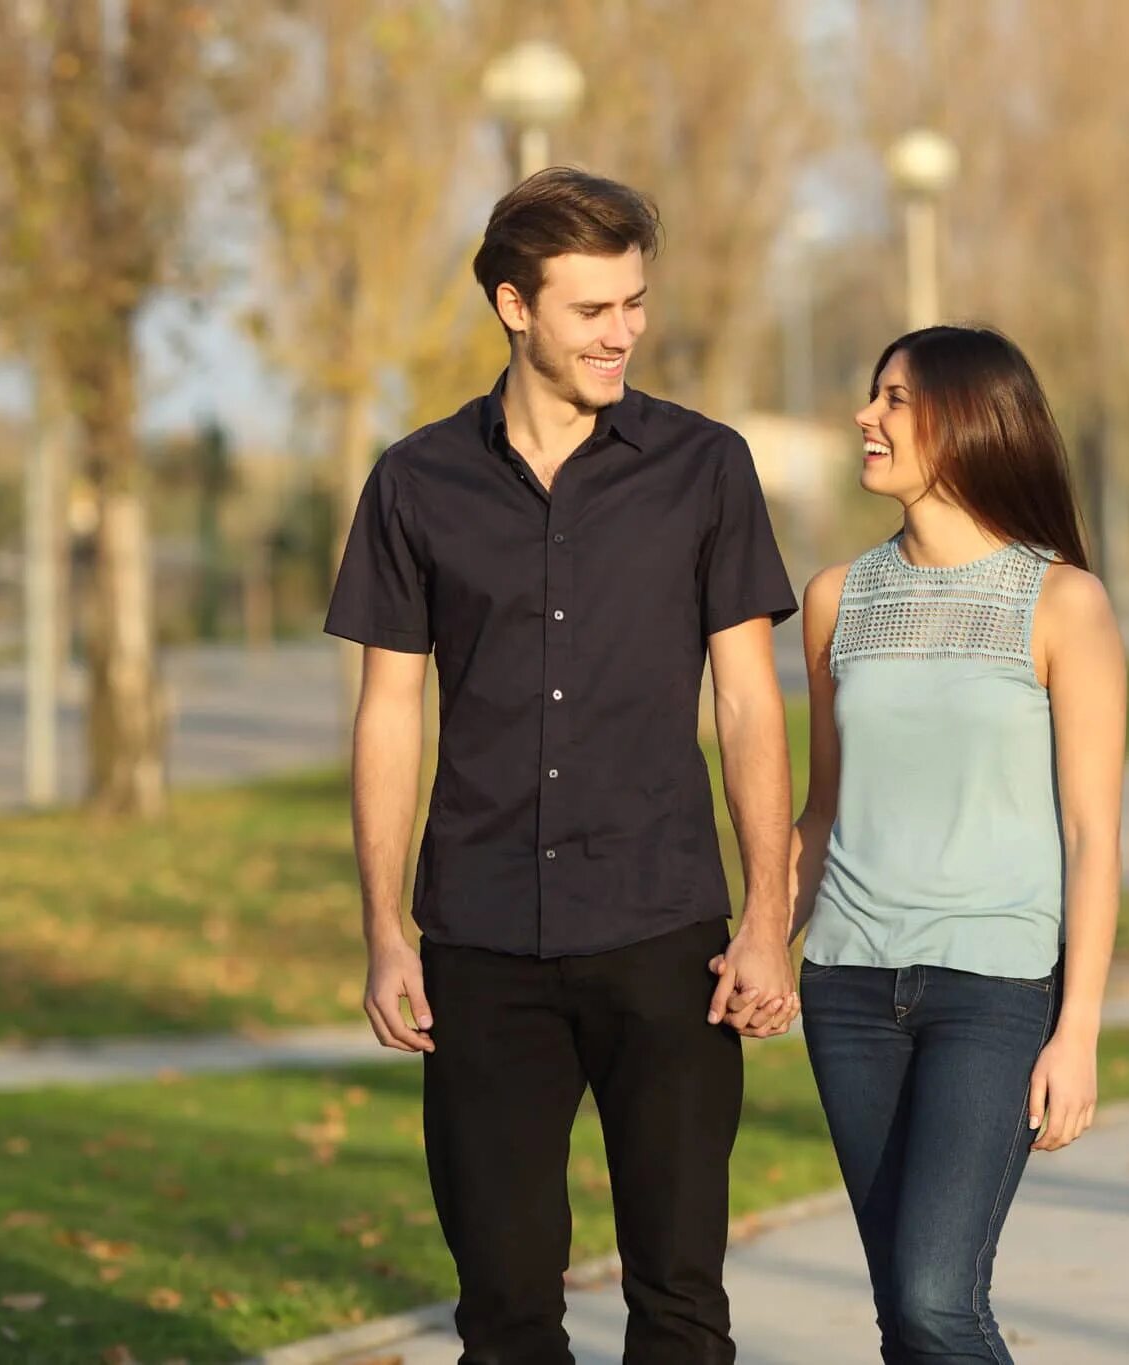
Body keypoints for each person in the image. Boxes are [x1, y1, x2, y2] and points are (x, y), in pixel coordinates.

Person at [323, 166, 802, 1364]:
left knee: (681, 1301)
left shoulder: (704, 467)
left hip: (665, 936)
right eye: (593, 310)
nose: (623, 332)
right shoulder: (413, 481)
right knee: (502, 1310)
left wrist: (767, 916)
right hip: (480, 943)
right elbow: (389, 714)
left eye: (633, 303)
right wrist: (384, 929)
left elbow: (747, 701)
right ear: (512, 306)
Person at [783, 325, 1127, 1363]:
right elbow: (820, 806)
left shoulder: (1060, 601)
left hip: (993, 990)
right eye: (870, 392)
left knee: (936, 1297)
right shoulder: (836, 598)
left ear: (966, 421)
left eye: (894, 399)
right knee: (904, 1312)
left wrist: (1077, 1033)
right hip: (846, 991)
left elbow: (1091, 838)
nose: (865, 417)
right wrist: (762, 936)